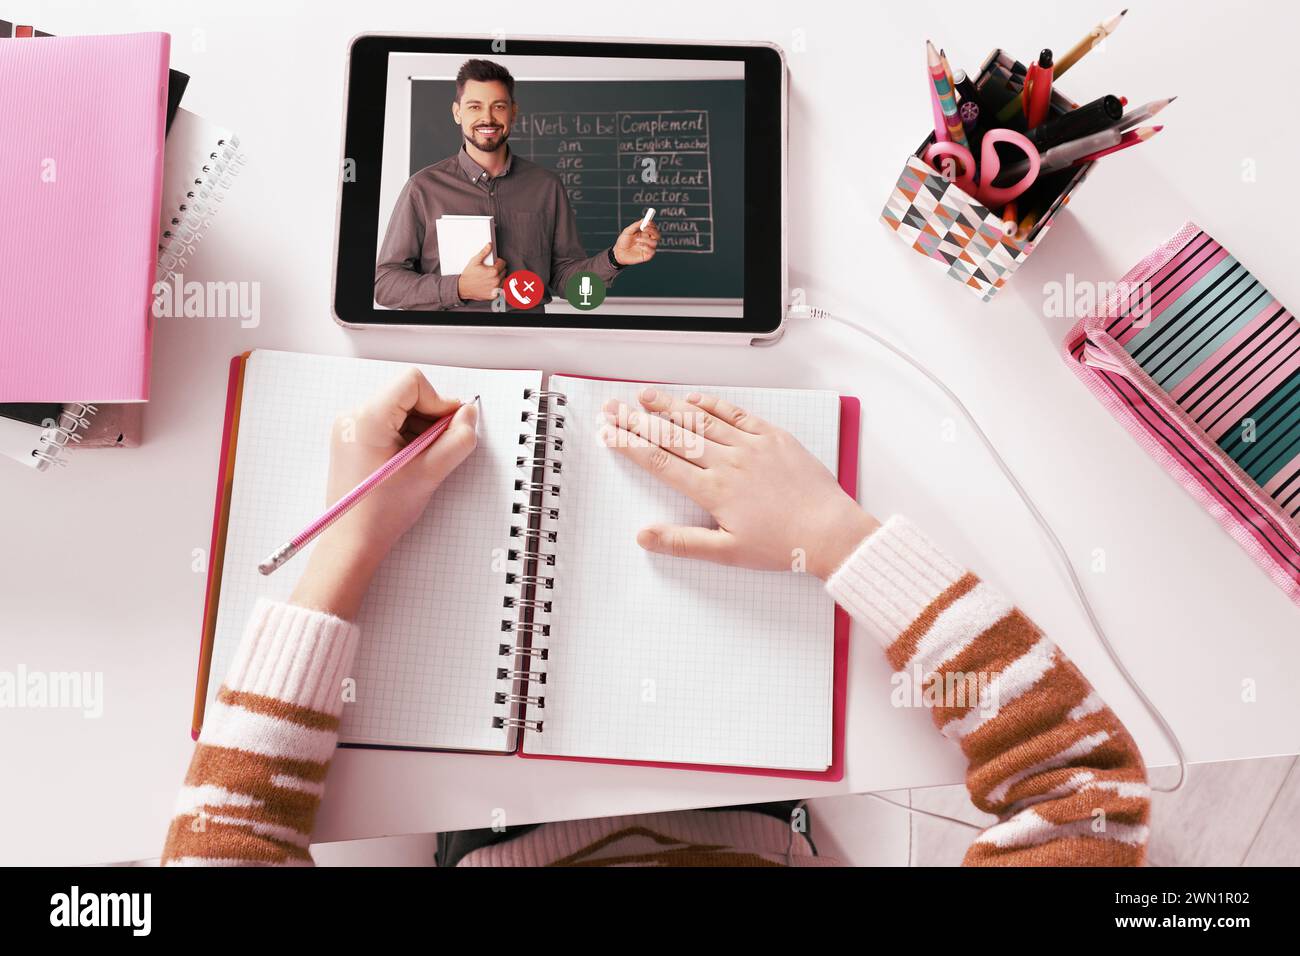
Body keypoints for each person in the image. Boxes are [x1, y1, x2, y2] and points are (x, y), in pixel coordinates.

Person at [162, 369, 1151, 867]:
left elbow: (226, 836)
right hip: (761, 833)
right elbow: (1085, 793)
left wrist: (344, 548)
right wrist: (835, 536)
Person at [375, 59, 661, 311]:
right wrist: (460, 287)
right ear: (457, 112)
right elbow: (384, 284)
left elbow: (566, 283)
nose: (487, 118)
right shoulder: (422, 188)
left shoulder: (546, 187)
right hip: (445, 348)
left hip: (528, 345)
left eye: (498, 106)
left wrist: (615, 259)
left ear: (513, 112)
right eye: (475, 106)